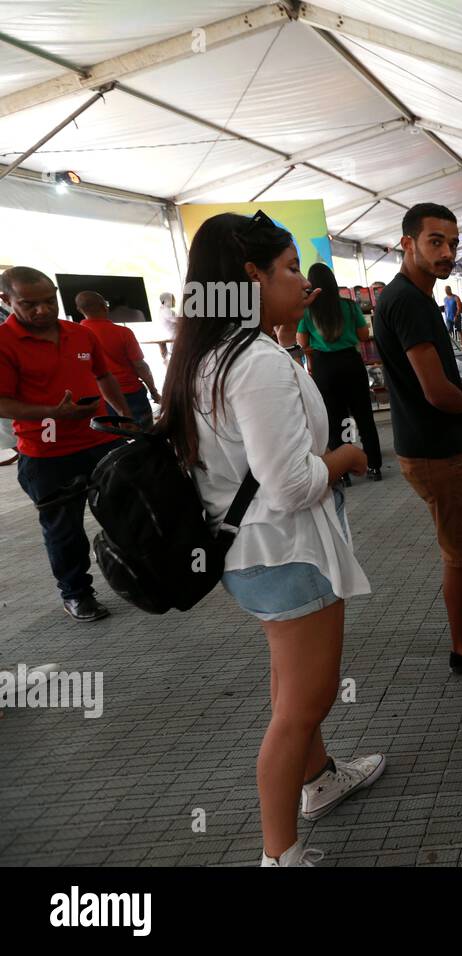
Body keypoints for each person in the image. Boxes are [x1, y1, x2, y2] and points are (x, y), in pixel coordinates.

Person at [156, 211, 381, 867]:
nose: (300, 282)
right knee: (303, 702)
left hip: (252, 554)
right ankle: (278, 853)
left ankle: (319, 782)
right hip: (285, 551)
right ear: (250, 276)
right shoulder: (254, 362)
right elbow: (289, 484)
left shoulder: (210, 355)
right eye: (288, 269)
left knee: (291, 685)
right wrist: (346, 459)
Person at [372, 202, 462, 675]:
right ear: (407, 243)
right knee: (458, 552)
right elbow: (437, 391)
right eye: (436, 241)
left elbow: (437, 386)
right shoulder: (408, 302)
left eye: (452, 243)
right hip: (433, 449)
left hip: (441, 443)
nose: (447, 252)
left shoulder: (417, 296)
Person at [0, 266, 132, 621]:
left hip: (99, 441)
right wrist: (54, 413)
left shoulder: (80, 334)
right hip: (47, 455)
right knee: (65, 530)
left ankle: (136, 577)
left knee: (124, 514)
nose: (42, 310)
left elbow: (103, 375)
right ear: (6, 301)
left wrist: (122, 415)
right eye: (30, 304)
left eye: (48, 301)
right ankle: (76, 594)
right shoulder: (4, 343)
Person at [298, 264, 384, 481]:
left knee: (335, 418)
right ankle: (373, 465)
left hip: (324, 367)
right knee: (363, 414)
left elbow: (301, 341)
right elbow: (364, 334)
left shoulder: (307, 310)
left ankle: (343, 471)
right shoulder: (348, 305)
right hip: (350, 363)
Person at [75, 291, 161, 428]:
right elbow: (140, 366)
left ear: (79, 310)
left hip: (99, 398)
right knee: (144, 438)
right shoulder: (123, 333)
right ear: (105, 307)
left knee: (115, 440)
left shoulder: (76, 335)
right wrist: (154, 391)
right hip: (131, 394)